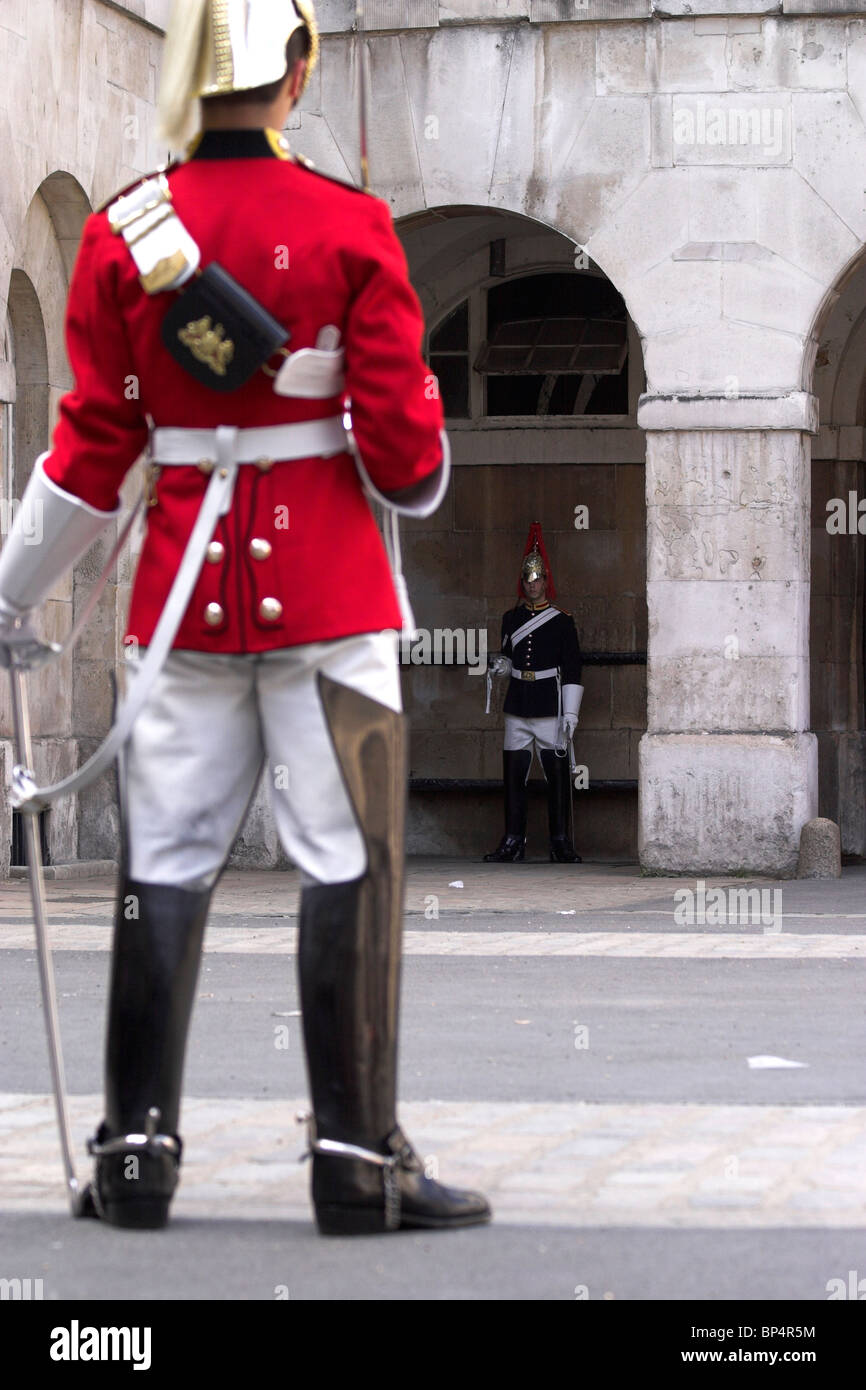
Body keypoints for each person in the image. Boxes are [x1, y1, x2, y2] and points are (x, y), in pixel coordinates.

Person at [0, 0, 489, 1236]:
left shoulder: (121, 234)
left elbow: (88, 453)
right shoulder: (350, 228)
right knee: (348, 864)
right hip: (327, 604)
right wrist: (329, 387)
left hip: (177, 604)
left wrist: (6, 593)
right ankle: (353, 1159)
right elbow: (407, 467)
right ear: (299, 70)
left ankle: (137, 1157)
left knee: (156, 869)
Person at [484, 523, 584, 864]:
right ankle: (513, 840)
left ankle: (560, 841)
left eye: (537, 578)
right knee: (514, 776)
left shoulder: (561, 621)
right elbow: (509, 656)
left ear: (546, 581)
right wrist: (499, 668)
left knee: (557, 779)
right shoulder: (510, 618)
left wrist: (570, 712)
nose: (532, 584)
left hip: (549, 705)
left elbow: (572, 669)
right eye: (527, 579)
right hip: (519, 703)